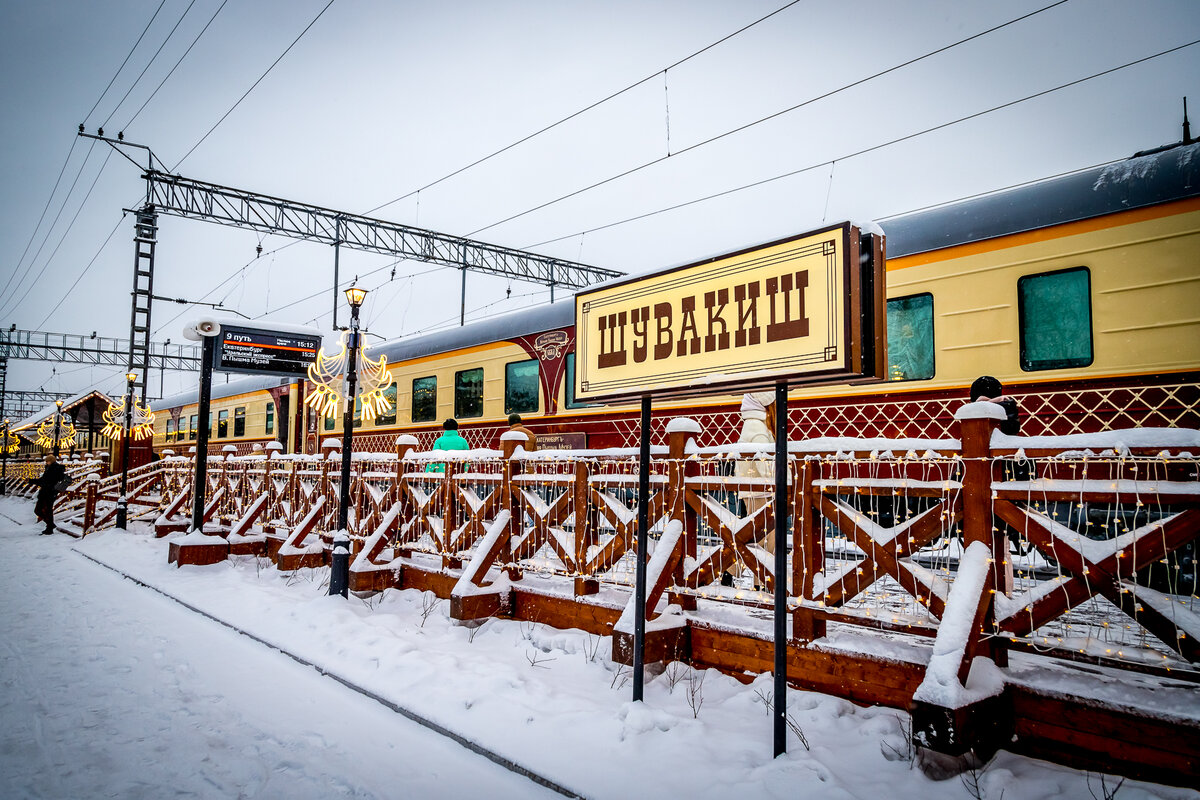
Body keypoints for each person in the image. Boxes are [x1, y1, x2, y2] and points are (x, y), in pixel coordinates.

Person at [724, 391, 777, 587]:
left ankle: (732, 572)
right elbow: (764, 464)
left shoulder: (752, 424)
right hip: (761, 491)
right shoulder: (758, 428)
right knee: (766, 540)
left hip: (754, 491)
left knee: (754, 538)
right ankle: (761, 581)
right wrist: (782, 477)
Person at [33, 454, 67, 536]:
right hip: (47, 492)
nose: (46, 463)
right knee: (44, 510)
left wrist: (32, 481)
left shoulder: (54, 469)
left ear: (51, 461)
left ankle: (50, 527)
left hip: (49, 492)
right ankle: (50, 525)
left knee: (43, 510)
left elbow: (46, 481)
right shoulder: (50, 468)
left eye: (47, 461)